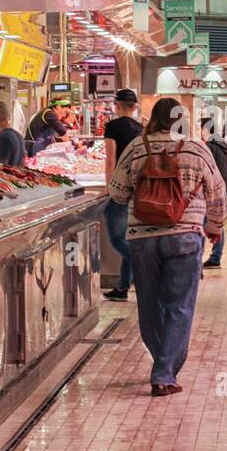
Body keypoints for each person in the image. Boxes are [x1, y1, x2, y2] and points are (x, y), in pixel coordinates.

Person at [109, 97, 226, 396]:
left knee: (149, 303)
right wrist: (214, 226)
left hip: (143, 239)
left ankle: (162, 363)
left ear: (153, 119)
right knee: (180, 305)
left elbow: (118, 192)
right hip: (185, 235)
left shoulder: (137, 147)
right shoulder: (196, 148)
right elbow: (217, 192)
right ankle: (164, 371)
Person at [102, 88, 143, 302]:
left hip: (119, 189)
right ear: (135, 107)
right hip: (136, 190)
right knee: (129, 237)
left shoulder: (112, 127)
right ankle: (122, 287)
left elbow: (110, 158)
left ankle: (143, 266)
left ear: (117, 106)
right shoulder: (140, 129)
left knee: (117, 238)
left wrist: (109, 187)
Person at [201, 115, 227, 268]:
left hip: (210, 190)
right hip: (220, 188)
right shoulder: (221, 144)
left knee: (205, 222)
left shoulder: (210, 147)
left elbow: (207, 171)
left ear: (205, 130)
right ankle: (215, 256)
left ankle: (213, 257)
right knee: (216, 222)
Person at [0, 101, 26, 166]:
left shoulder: (2, 138)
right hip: (15, 175)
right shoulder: (18, 135)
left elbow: (0, 168)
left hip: (7, 175)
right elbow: (23, 163)